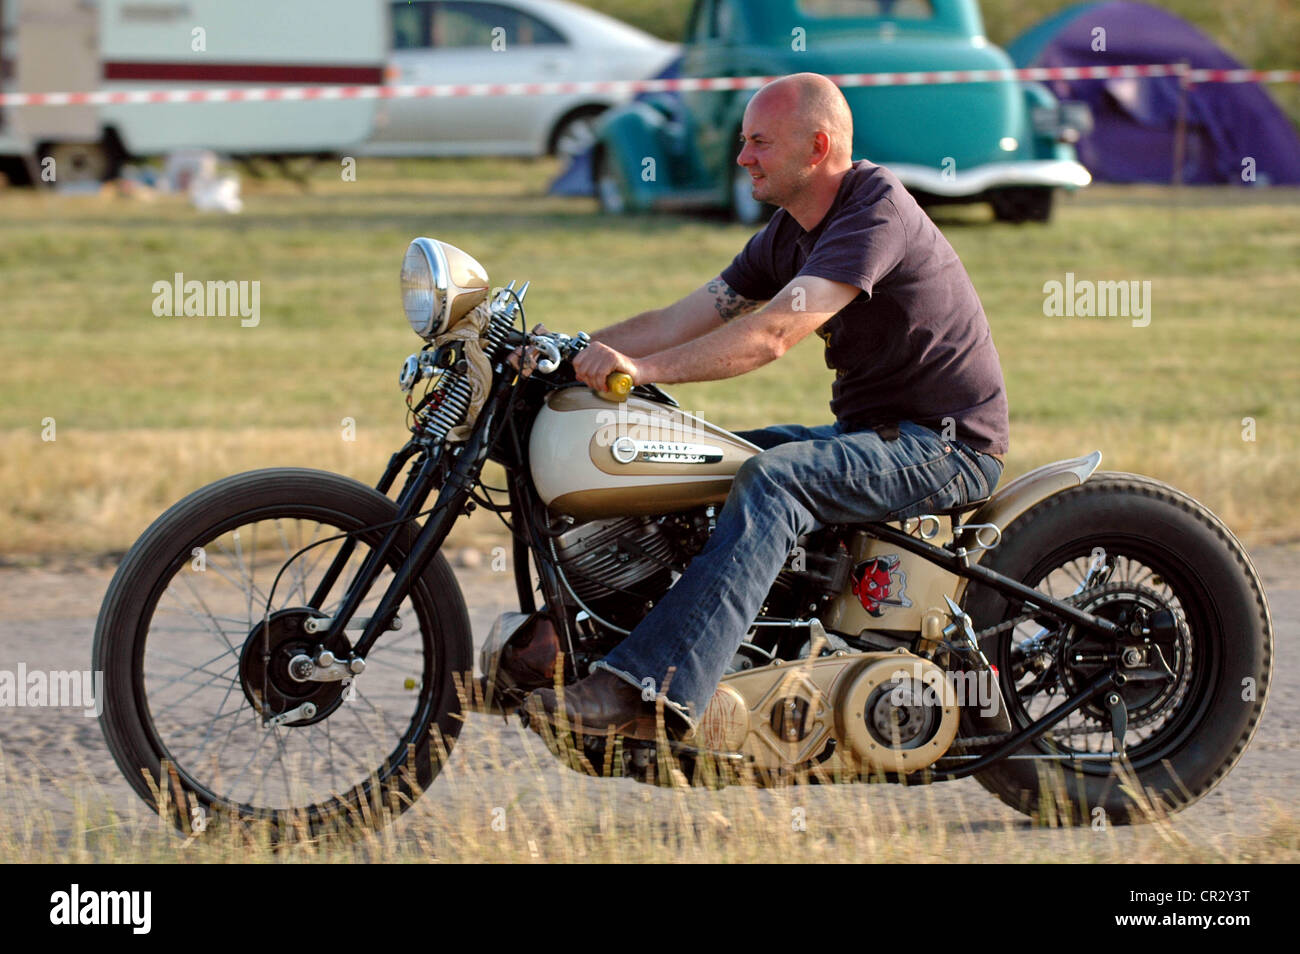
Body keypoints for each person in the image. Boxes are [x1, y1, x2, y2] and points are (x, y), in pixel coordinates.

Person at [526, 72, 1009, 742]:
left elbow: (774, 334)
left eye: (758, 142)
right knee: (679, 460)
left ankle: (652, 690)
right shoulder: (790, 230)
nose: (742, 157)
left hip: (945, 447)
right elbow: (681, 319)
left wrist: (639, 372)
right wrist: (566, 350)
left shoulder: (874, 212)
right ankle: (584, 640)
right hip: (870, 433)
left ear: (816, 146)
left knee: (772, 480)